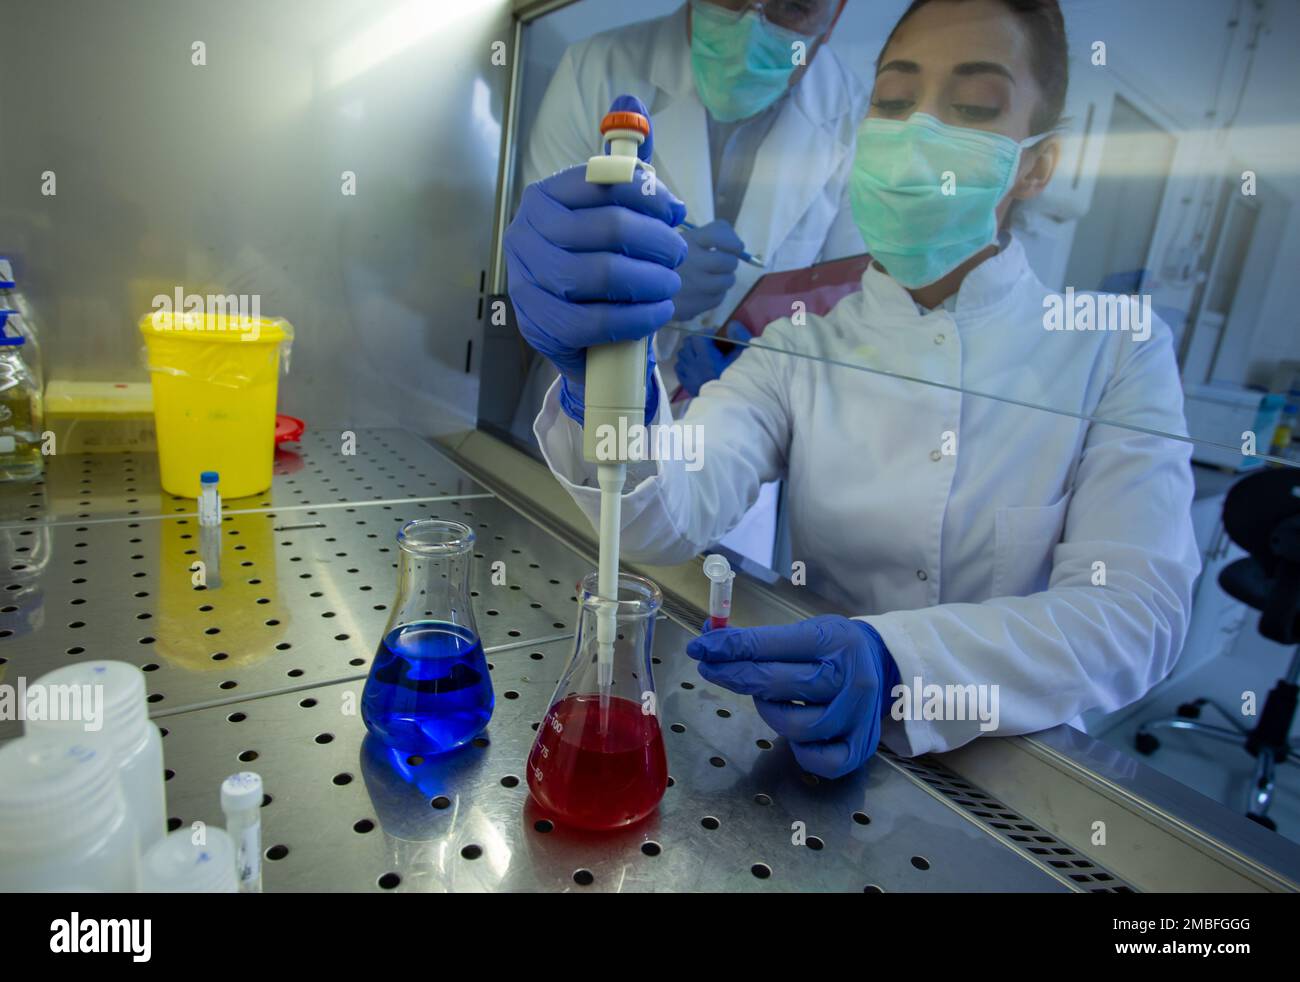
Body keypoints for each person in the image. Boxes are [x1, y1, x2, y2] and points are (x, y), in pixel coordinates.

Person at [504, 0, 1201, 777]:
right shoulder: (802, 345)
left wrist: (898, 663)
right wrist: (603, 380)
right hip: (801, 749)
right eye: (895, 102)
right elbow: (666, 517)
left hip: (1021, 777)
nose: (916, 137)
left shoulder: (1113, 347)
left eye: (972, 107)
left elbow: (1136, 616)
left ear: (1039, 163)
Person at [511, 0, 864, 439]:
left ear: (835, 15)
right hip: (577, 427)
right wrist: (638, 291)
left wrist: (772, 366)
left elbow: (851, 323)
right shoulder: (596, 70)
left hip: (743, 442)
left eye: (792, 6)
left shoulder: (859, 118)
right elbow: (540, 272)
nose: (752, 25)